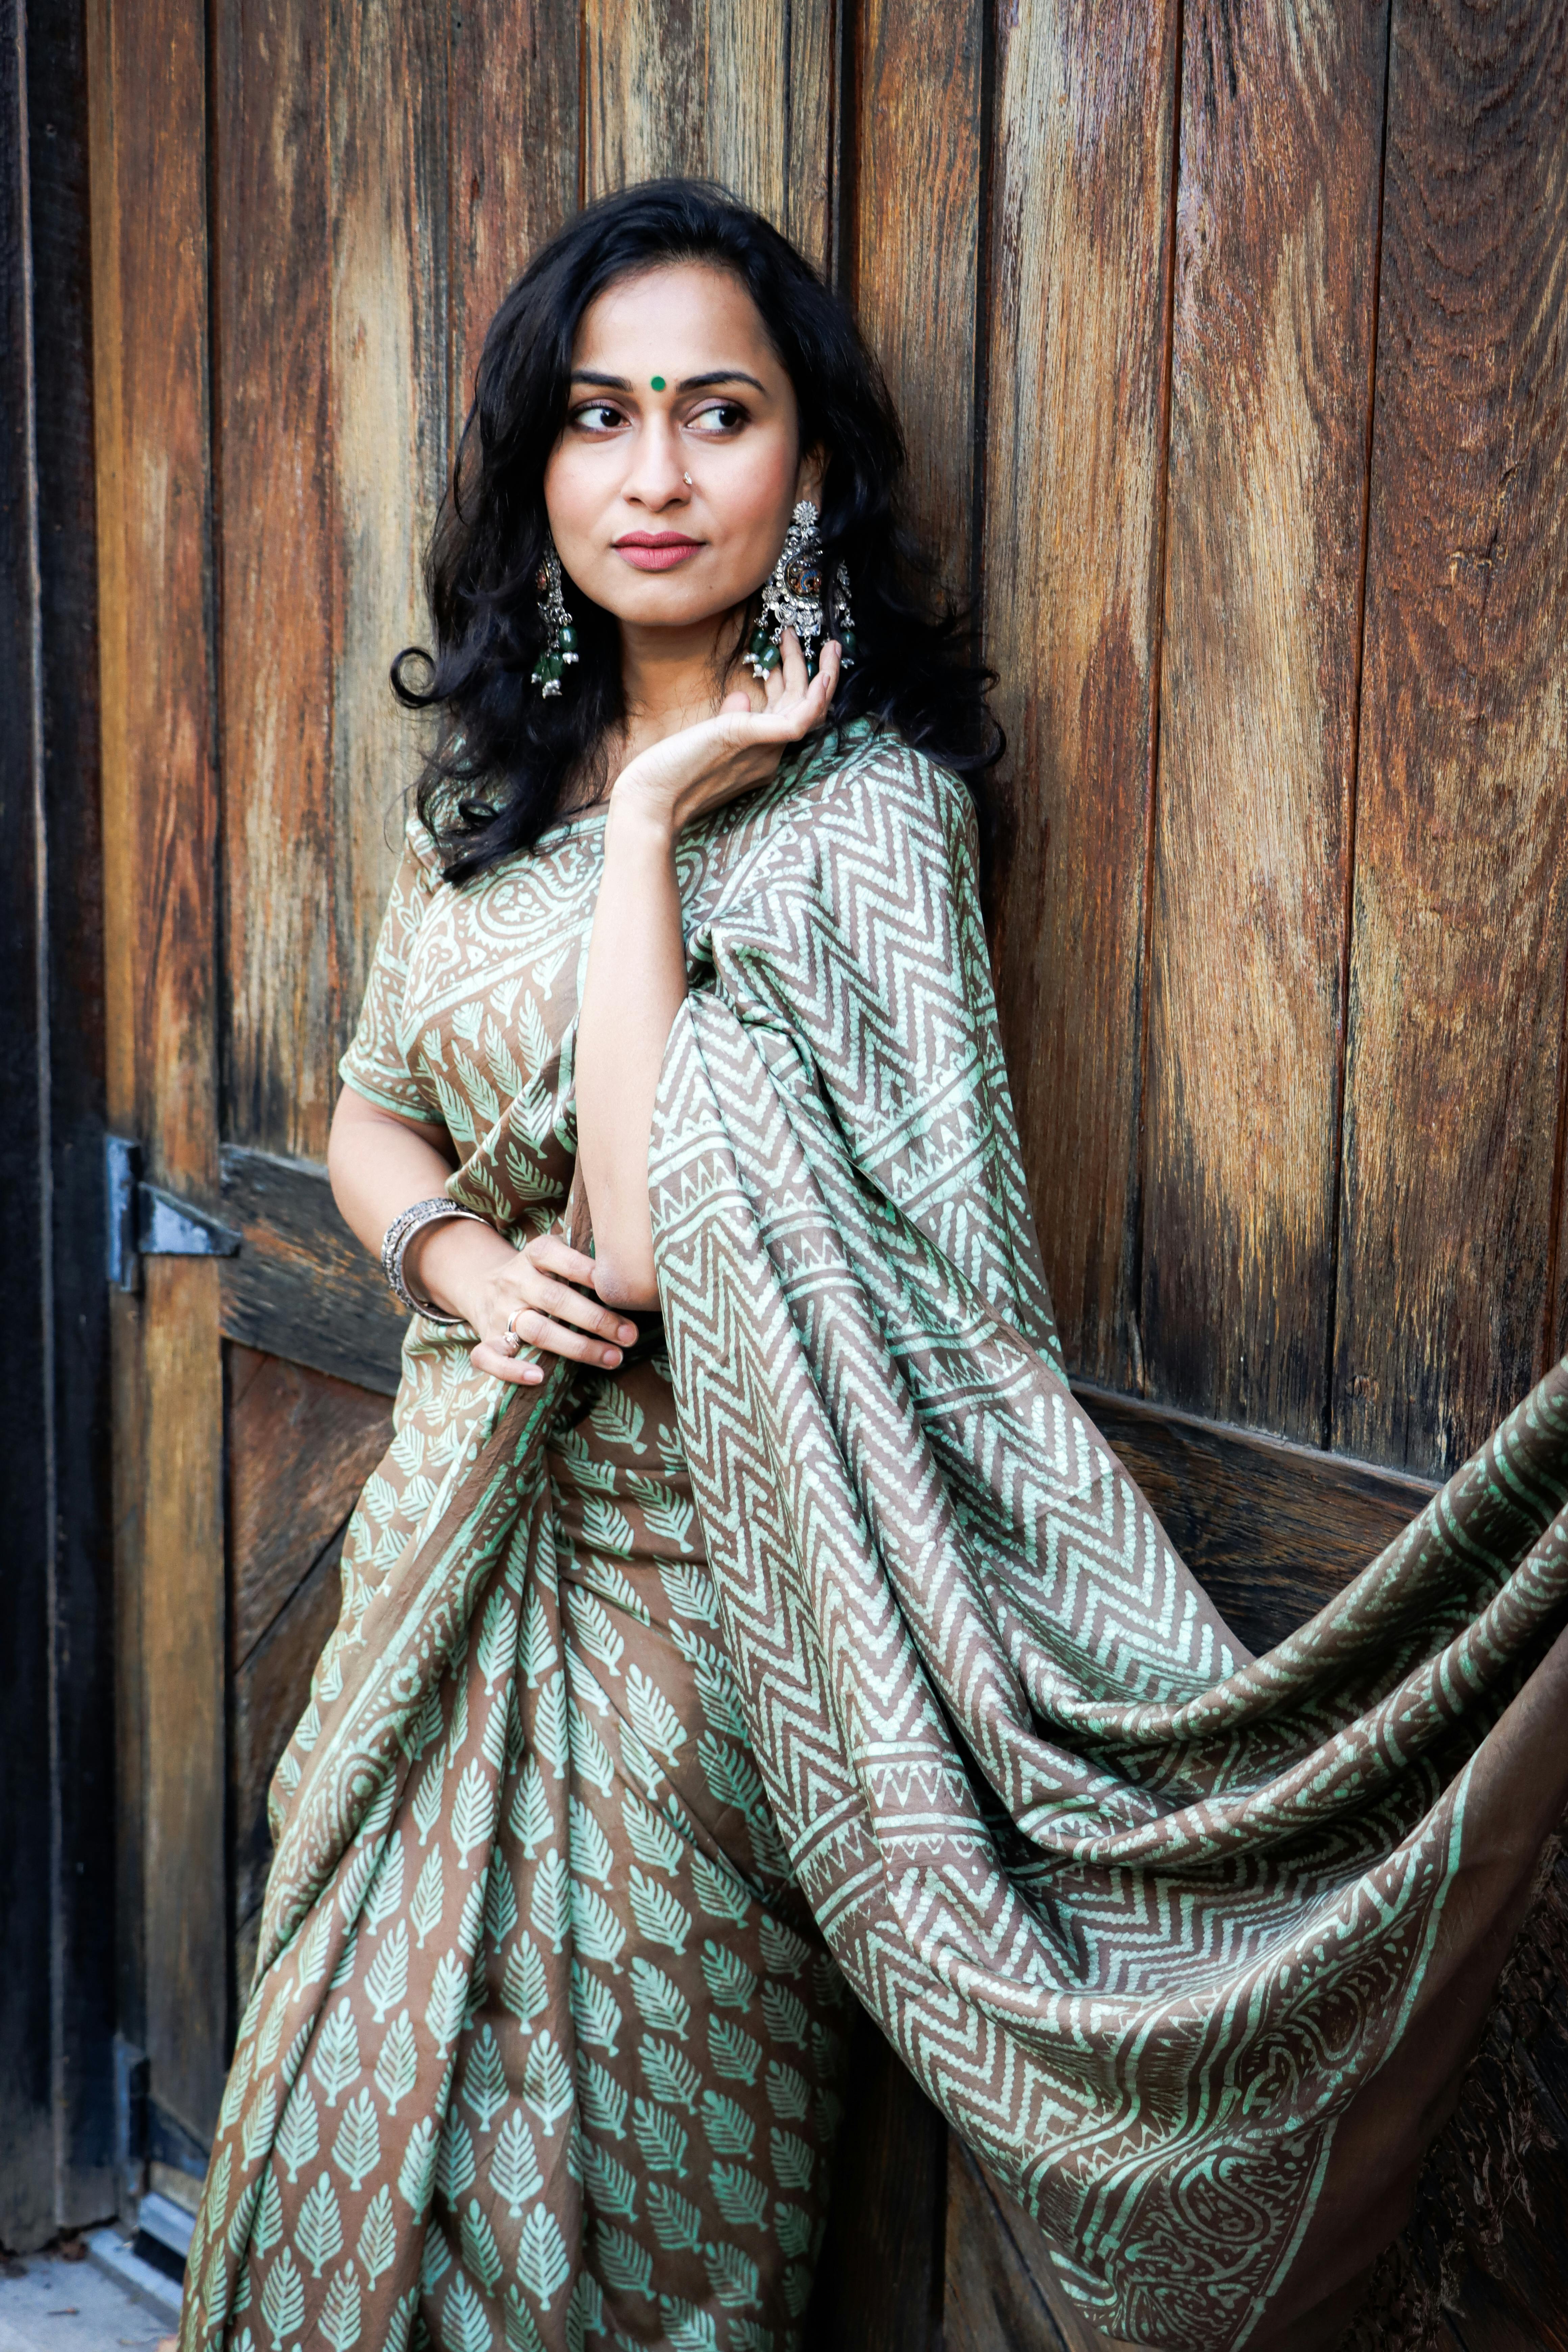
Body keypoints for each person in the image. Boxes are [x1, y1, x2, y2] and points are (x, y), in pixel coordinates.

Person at [171, 181, 1568, 2352]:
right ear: (537, 466)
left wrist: (655, 839)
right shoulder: (492, 787)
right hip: (450, 1592)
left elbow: (644, 1241)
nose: (653, 476)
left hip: (724, 1654)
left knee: (641, 2238)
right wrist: (446, 1254)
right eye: (598, 417)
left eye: (715, 415)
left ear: (808, 462)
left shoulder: (867, 818)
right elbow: (371, 1114)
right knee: (354, 2169)